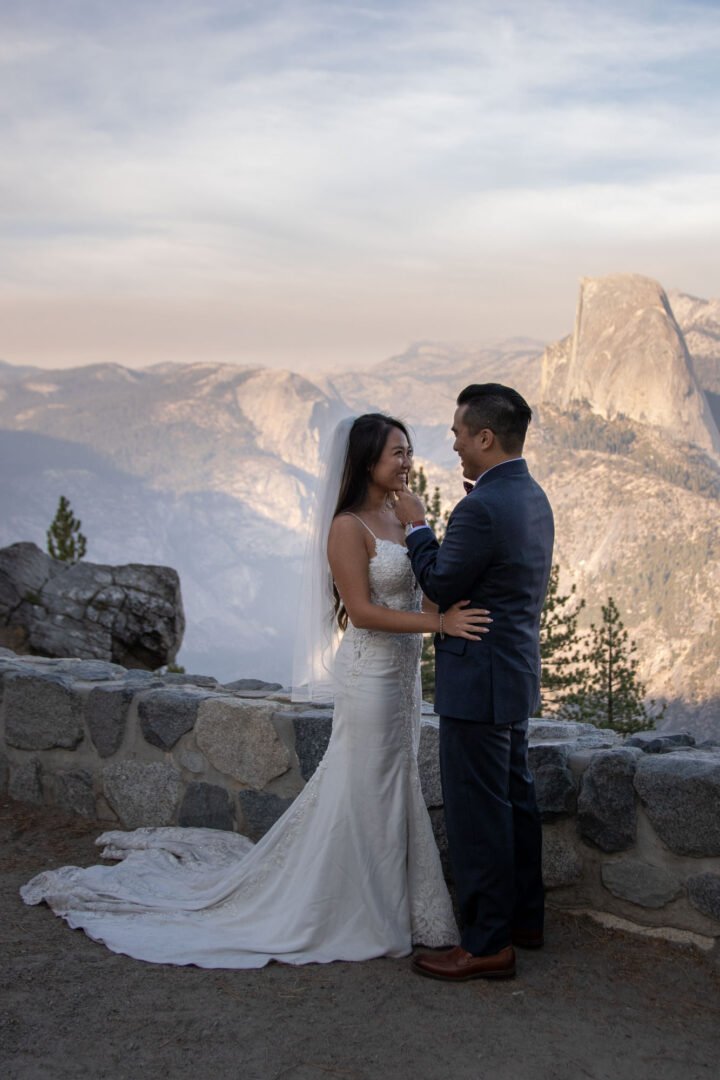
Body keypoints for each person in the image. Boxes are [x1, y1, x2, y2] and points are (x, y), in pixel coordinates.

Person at [21, 413, 489, 969]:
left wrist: (425, 539)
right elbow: (362, 613)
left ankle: (400, 905)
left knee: (396, 778)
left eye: (409, 451)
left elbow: (427, 589)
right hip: (369, 678)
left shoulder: (402, 516)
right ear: (368, 461)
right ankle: (358, 908)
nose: (408, 462)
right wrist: (439, 625)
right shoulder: (347, 527)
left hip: (404, 679)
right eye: (398, 453)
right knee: (368, 783)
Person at [393, 384, 554, 981]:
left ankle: (486, 944)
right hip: (513, 675)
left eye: (459, 433)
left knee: (478, 816)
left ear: (485, 437)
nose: (454, 443)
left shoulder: (480, 508)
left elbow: (439, 583)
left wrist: (418, 526)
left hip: (477, 680)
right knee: (516, 802)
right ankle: (525, 920)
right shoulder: (531, 493)